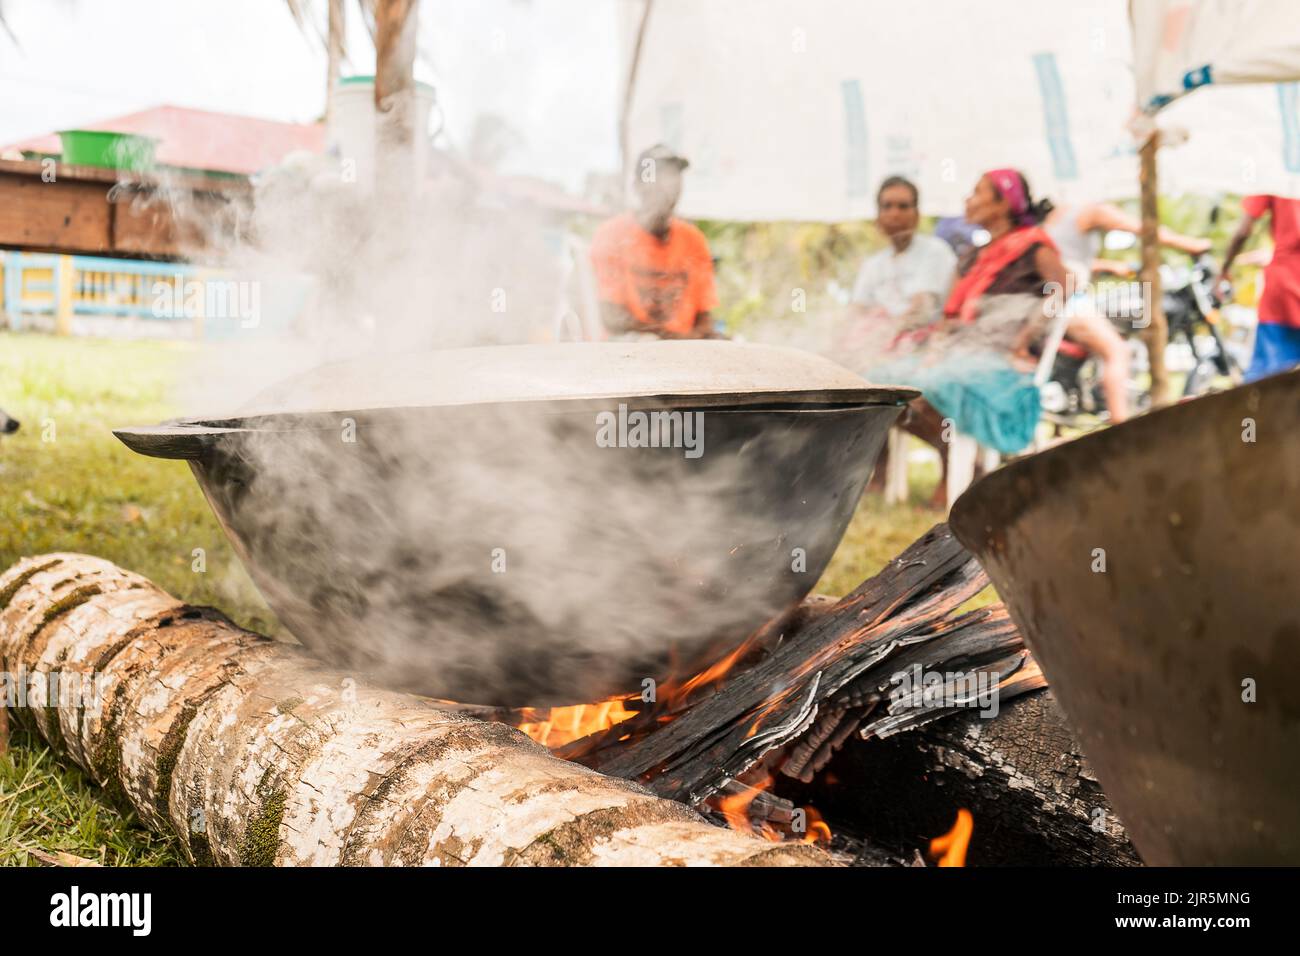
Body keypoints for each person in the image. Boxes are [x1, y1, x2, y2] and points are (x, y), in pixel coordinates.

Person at [844, 176, 957, 498]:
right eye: (887, 206)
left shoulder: (934, 252)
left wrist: (878, 342)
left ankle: (952, 463)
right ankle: (878, 472)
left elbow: (921, 310)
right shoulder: (874, 264)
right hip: (881, 349)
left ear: (917, 214)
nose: (895, 214)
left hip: (928, 345)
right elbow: (855, 312)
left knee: (887, 382)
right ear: (878, 215)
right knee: (850, 381)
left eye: (903, 206)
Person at [589, 145, 720, 340]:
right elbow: (612, 317)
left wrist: (693, 341)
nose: (668, 186)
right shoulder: (612, 236)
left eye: (674, 177)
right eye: (658, 177)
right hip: (628, 351)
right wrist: (671, 340)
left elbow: (704, 315)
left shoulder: (693, 240)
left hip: (686, 351)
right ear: (639, 186)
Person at [1217, 194, 1300, 381]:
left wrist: (1224, 269)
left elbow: (1243, 231)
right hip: (1286, 284)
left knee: (1264, 381)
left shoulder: (1276, 170)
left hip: (1284, 288)